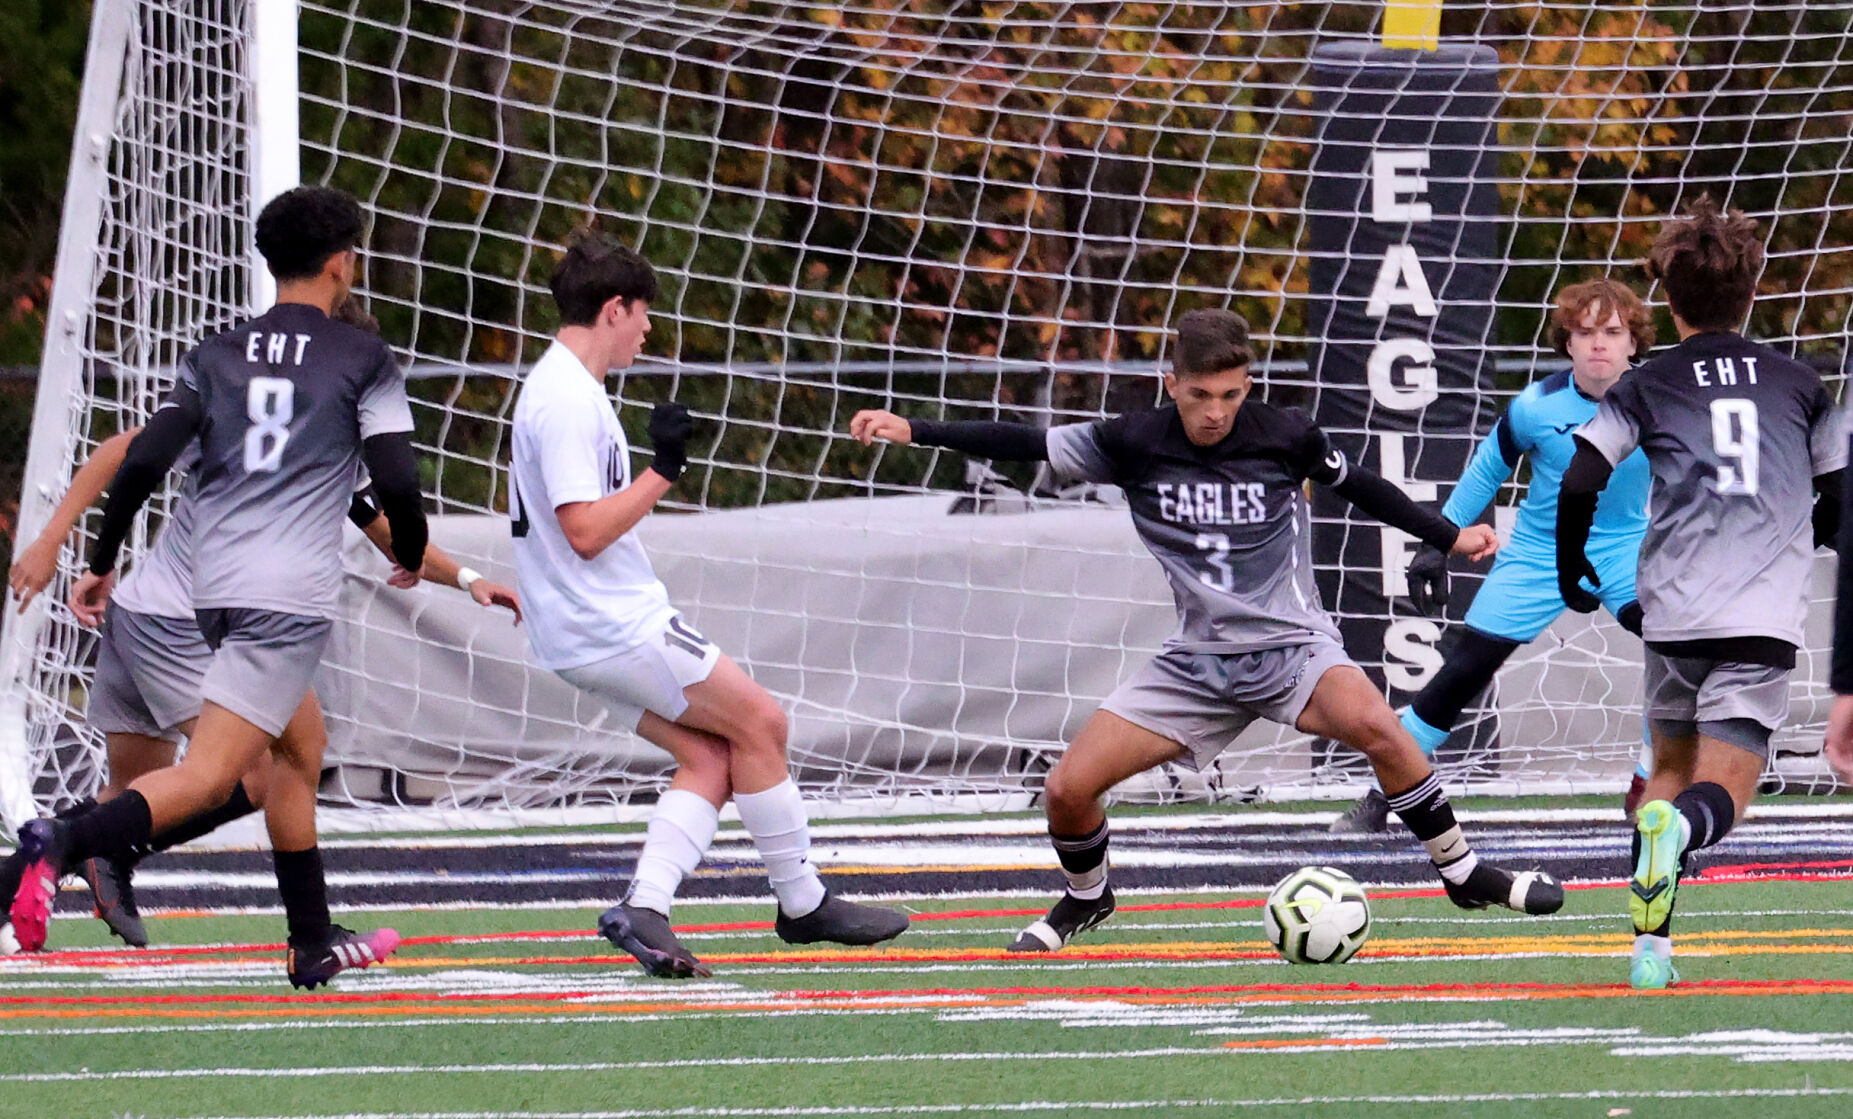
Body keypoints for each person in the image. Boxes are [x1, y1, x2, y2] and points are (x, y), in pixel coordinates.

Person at [849, 308, 1565, 953]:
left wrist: (1447, 534)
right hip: (1195, 664)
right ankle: (1087, 896)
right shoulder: (1130, 441)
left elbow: (1363, 488)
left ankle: (1464, 873)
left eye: (1230, 394)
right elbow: (1025, 441)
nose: (1215, 412)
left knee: (1383, 727)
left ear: (1246, 384)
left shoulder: (1285, 435)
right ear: (1172, 384)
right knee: (1067, 789)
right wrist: (916, 429)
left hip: (1292, 650)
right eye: (1199, 396)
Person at [2, 185, 429, 988]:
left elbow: (142, 457)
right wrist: (409, 545)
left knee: (300, 748)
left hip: (212, 592)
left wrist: (98, 557)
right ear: (343, 262)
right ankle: (62, 844)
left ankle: (310, 937)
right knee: (210, 778)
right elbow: (396, 476)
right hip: (287, 596)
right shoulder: (362, 357)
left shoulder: (215, 354)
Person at [2, 298, 518, 949]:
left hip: (148, 613)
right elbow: (121, 452)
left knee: (135, 795)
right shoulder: (266, 419)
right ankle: (94, 851)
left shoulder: (301, 428)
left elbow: (381, 526)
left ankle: (46, 869)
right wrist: (51, 541)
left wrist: (468, 580)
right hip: (188, 627)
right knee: (258, 772)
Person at [508, 231, 908, 978]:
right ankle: (801, 901)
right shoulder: (565, 397)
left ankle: (646, 907)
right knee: (762, 720)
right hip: (610, 621)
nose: (648, 328)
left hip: (575, 628)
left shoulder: (564, 387)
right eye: (642, 313)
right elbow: (584, 529)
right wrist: (664, 470)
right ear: (614, 308)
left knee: (711, 752)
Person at [1558, 197, 1845, 989]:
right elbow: (1839, 497)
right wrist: (1808, 531)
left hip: (1673, 613)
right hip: (1760, 617)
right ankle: (1678, 834)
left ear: (1668, 301)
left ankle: (1650, 949)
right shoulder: (1799, 383)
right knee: (1724, 788)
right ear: (1751, 289)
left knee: (1665, 778)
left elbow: (1581, 476)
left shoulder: (1645, 384)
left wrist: (1567, 566)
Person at [1331, 279, 1659, 835]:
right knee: (1463, 670)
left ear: (1634, 343)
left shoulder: (1660, 401)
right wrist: (1439, 542)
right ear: (1567, 343)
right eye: (1585, 332)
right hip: (1537, 552)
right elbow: (1487, 470)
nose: (1599, 343)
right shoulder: (1534, 407)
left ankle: (1649, 782)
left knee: (1676, 653)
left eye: (1613, 332)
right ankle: (1382, 794)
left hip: (1626, 548)